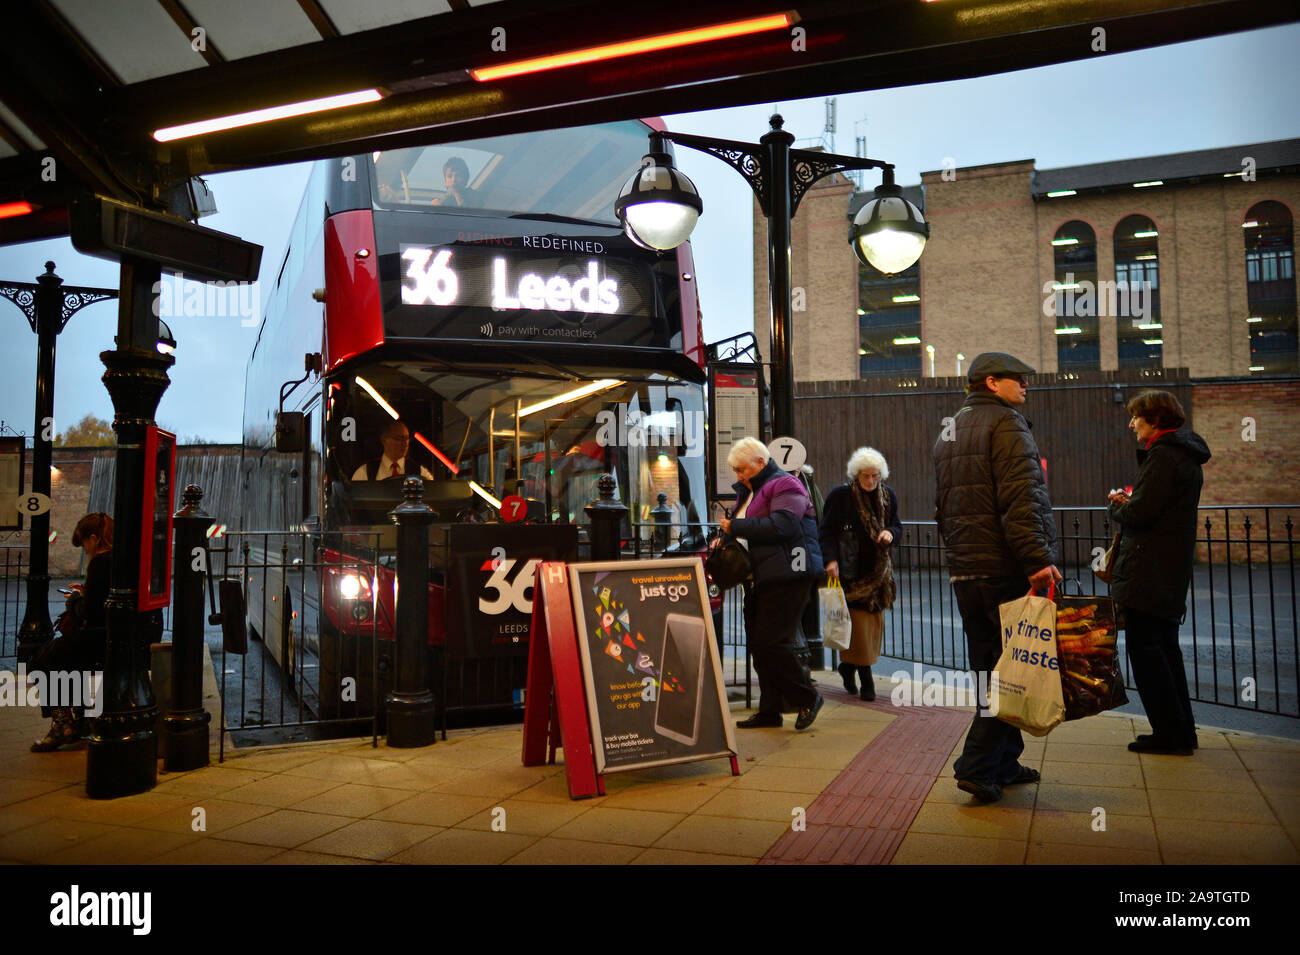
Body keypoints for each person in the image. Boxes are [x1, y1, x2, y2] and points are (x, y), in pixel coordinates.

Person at [934, 352, 1061, 803]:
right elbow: (1021, 499)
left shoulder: (951, 429)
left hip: (966, 571)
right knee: (1015, 672)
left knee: (992, 668)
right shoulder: (1006, 424)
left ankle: (1004, 763)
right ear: (992, 382)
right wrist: (1036, 559)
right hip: (1004, 569)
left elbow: (943, 507)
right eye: (1018, 379)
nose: (1025, 386)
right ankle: (976, 766)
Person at [1107, 390, 1209, 756]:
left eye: (1137, 417)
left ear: (1156, 419)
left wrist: (1118, 507)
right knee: (1166, 651)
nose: (1132, 423)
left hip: (1149, 574)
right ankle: (1181, 731)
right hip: (1168, 571)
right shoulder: (1185, 456)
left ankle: (1170, 734)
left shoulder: (1163, 456)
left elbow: (1140, 515)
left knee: (1148, 653)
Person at [718, 437, 825, 731]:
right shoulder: (751, 491)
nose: (739, 476)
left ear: (760, 462)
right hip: (760, 578)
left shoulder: (785, 485)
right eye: (736, 471)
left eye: (742, 469)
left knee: (771, 642)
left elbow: (784, 526)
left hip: (789, 574)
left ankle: (807, 697)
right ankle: (769, 711)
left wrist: (735, 526)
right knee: (759, 645)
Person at [819, 447, 902, 701]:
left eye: (875, 476)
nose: (871, 481)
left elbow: (896, 525)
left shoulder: (888, 496)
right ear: (857, 475)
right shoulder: (841, 496)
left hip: (878, 576)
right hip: (851, 574)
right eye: (866, 476)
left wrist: (890, 533)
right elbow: (826, 531)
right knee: (859, 632)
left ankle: (847, 668)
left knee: (870, 631)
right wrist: (830, 559)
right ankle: (866, 681)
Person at [29, 513, 112, 752]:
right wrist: (85, 592)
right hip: (117, 635)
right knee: (65, 658)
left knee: (42, 660)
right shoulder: (121, 558)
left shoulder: (100, 561)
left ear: (94, 539)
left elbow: (89, 612)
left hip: (98, 637)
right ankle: (81, 720)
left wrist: (74, 598)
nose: (85, 550)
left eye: (85, 544)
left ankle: (63, 725)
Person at [351, 420, 435, 481]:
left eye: (407, 438)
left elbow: (432, 494)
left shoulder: (420, 472)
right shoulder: (365, 473)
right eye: (399, 439)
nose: (405, 443)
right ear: (384, 440)